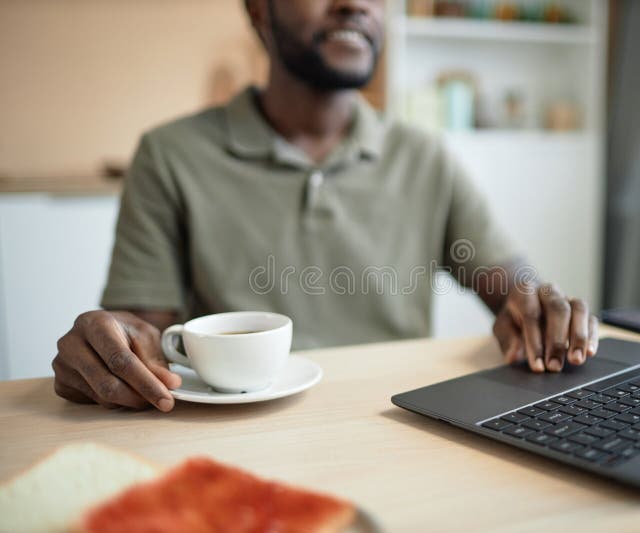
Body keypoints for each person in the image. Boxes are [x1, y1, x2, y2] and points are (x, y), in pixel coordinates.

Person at [51, 0, 599, 412]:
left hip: (400, 429)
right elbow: (143, 340)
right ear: (257, 11)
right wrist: (109, 351)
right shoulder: (171, 156)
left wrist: (539, 310)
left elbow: (516, 290)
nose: (355, 2)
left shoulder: (425, 156)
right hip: (241, 444)